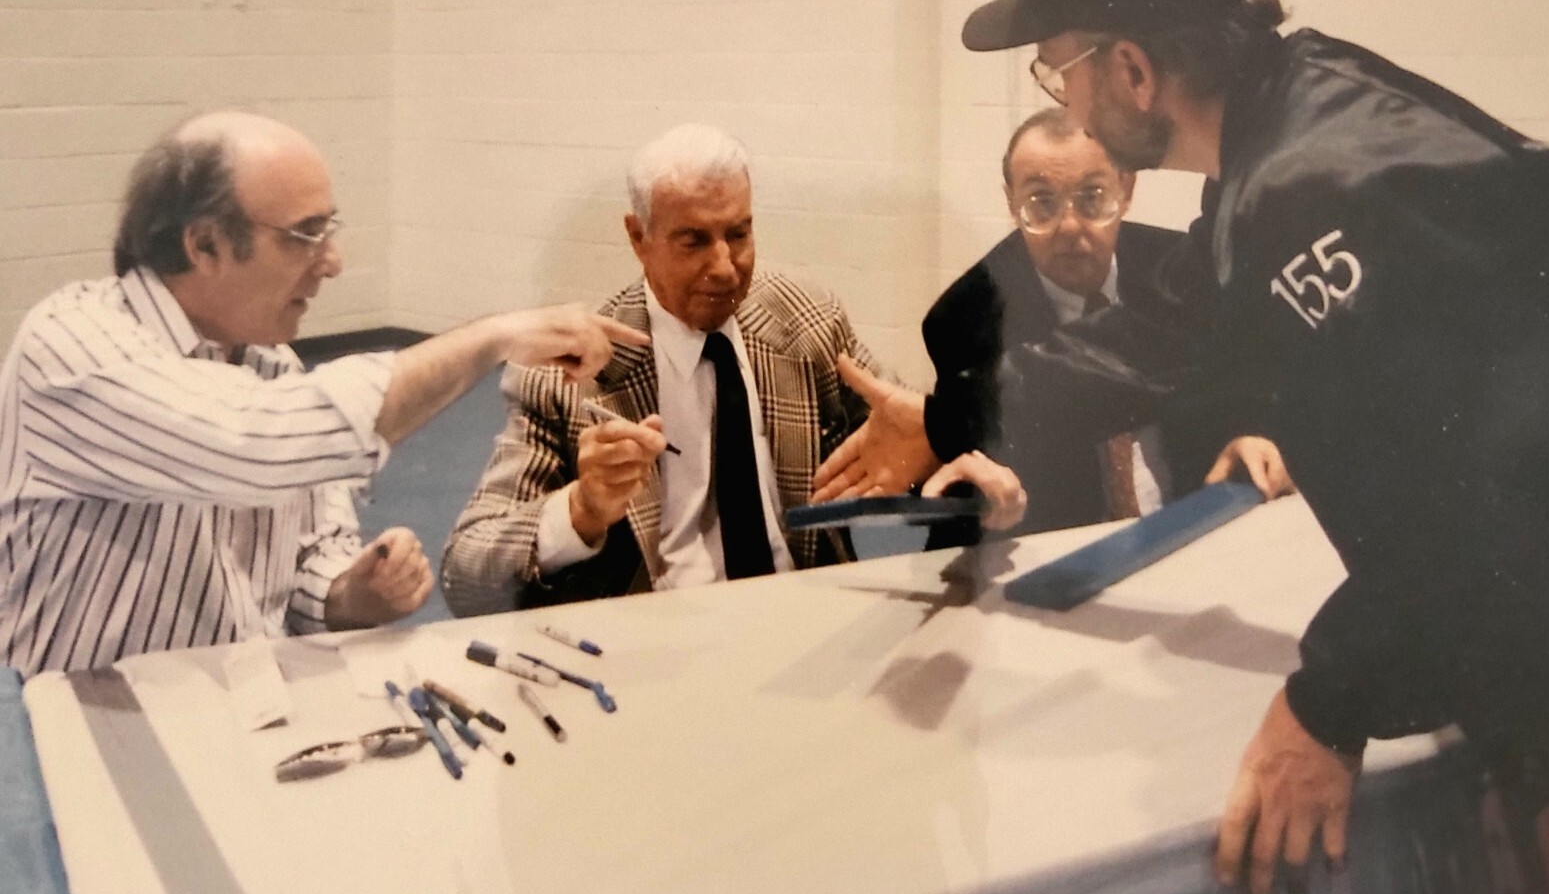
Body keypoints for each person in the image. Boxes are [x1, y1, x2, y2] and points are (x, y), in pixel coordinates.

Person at [820, 0, 1549, 894]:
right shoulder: (1297, 118)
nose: (1072, 107)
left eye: (1060, 77)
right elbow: (1175, 326)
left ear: (1131, 70)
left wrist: (1323, 705)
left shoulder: (1307, 188)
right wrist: (947, 417)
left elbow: (1477, 497)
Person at [0, 111, 645, 677]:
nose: (333, 261)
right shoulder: (71, 348)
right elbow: (253, 443)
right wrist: (492, 337)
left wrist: (352, 594)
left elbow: (303, 571)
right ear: (205, 245)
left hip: (228, 713)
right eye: (305, 234)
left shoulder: (273, 366)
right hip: (67, 741)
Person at [441, 124, 1022, 614]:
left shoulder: (807, 321)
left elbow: (905, 447)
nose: (725, 267)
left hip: (804, 616)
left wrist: (949, 459)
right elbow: (466, 568)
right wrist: (581, 510)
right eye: (693, 240)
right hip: (653, 639)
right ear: (638, 238)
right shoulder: (565, 376)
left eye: (738, 234)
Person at [921, 106, 1290, 538]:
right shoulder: (966, 316)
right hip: (1067, 554)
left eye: (1092, 197)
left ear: (1126, 188)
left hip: (1195, 529)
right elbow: (978, 466)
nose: (1070, 226)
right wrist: (989, 499)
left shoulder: (1177, 270)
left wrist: (1256, 435)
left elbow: (1237, 392)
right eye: (1041, 203)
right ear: (1011, 202)